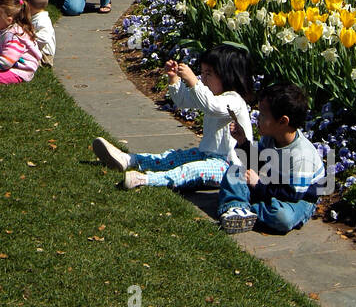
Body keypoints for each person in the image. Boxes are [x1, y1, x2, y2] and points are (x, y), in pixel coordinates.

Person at [92, 44, 254, 190]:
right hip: (206, 154)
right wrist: (174, 79)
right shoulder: (210, 94)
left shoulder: (234, 100)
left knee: (191, 170)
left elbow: (212, 106)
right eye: (202, 72)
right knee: (173, 157)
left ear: (227, 76)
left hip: (230, 167)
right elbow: (184, 101)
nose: (202, 78)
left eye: (208, 74)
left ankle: (145, 179)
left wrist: (193, 82)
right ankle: (128, 159)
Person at [218, 81, 326, 234]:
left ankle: (245, 208)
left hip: (298, 199)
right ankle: (237, 208)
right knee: (234, 172)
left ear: (283, 121)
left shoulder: (302, 155)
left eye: (262, 115)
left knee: (282, 217)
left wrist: (259, 185)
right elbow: (259, 164)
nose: (257, 119)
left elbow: (292, 194)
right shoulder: (271, 137)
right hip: (271, 185)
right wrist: (242, 142)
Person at [19, 0, 55, 66]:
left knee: (16, 54)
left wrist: (27, 39)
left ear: (28, 6)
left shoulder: (42, 20)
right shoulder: (34, 16)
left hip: (44, 55)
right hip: (34, 49)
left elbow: (44, 38)